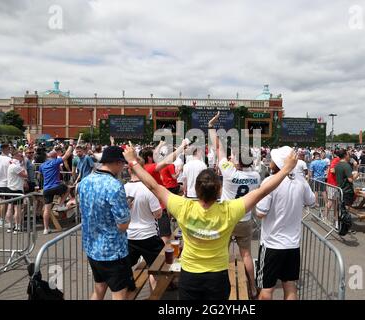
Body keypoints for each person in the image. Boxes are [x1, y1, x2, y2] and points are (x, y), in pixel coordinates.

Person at [122, 138, 298, 299]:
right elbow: (263, 191)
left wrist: (132, 161)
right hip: (217, 277)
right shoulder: (230, 210)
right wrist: (286, 169)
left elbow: (153, 185)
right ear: (220, 191)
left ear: (196, 191)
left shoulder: (182, 206)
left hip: (190, 276)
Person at [208, 112, 260, 298]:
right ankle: (253, 287)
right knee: (246, 254)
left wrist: (211, 126)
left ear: (237, 161)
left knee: (220, 253)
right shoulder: (256, 176)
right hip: (245, 219)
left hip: (228, 217)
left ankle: (216, 288)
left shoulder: (229, 172)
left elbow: (218, 147)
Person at [255, 146, 316, 300]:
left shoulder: (269, 182)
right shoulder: (301, 181)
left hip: (272, 244)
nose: (270, 161)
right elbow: (312, 201)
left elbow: (260, 213)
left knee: (266, 289)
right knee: (289, 287)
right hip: (292, 244)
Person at [78, 146, 135, 300]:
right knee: (120, 293)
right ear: (116, 163)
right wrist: (126, 208)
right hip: (112, 251)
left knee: (99, 289)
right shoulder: (114, 185)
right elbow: (123, 225)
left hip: (92, 247)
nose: (123, 167)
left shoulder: (85, 181)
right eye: (123, 164)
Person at [124, 157, 163, 290]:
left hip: (129, 236)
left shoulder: (122, 188)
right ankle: (156, 294)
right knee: (157, 268)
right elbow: (158, 213)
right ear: (143, 170)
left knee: (125, 265)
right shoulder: (148, 189)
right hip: (148, 235)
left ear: (129, 170)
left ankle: (127, 287)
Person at [39, 144, 73, 234]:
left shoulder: (42, 166)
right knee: (68, 189)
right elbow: (67, 155)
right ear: (55, 156)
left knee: (47, 209)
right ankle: (60, 204)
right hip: (56, 186)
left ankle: (46, 229)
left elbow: (41, 174)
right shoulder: (55, 162)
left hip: (46, 189)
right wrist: (70, 144)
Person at [5, 150, 28, 234]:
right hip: (16, 189)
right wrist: (24, 168)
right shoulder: (15, 166)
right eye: (20, 156)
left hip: (10, 188)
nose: (22, 158)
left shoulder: (11, 165)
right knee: (16, 209)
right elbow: (25, 175)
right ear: (16, 157)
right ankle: (17, 227)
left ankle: (10, 226)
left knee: (10, 207)